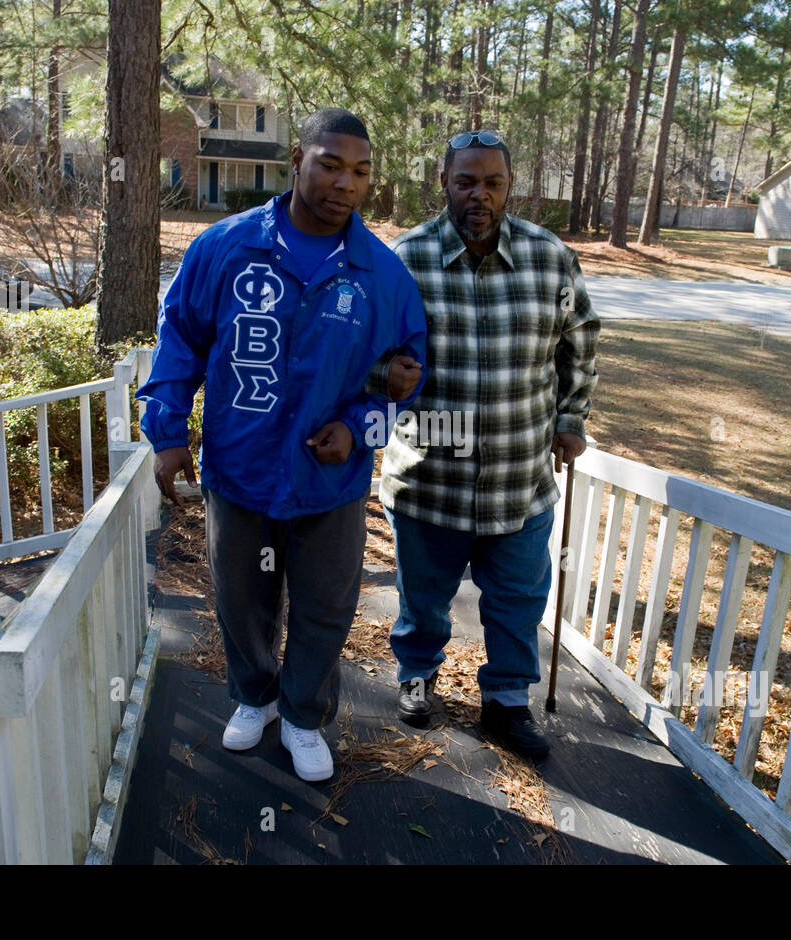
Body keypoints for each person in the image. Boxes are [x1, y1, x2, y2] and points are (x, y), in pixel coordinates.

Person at [137, 108, 426, 782]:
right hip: (238, 469)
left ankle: (302, 714)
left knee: (326, 602)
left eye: (360, 171)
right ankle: (255, 695)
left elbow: (407, 378)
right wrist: (166, 432)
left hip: (332, 482)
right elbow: (179, 336)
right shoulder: (225, 247)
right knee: (241, 597)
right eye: (330, 163)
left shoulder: (382, 275)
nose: (345, 182)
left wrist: (358, 426)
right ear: (296, 158)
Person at [380, 130, 599, 758]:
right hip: (430, 478)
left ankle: (507, 702)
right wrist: (383, 383)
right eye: (466, 181)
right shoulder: (406, 260)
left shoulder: (550, 257)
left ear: (510, 186)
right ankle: (416, 676)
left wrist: (570, 418)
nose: (480, 194)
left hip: (518, 477)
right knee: (423, 597)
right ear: (445, 184)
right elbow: (366, 354)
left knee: (518, 600)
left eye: (492, 182)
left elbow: (579, 340)